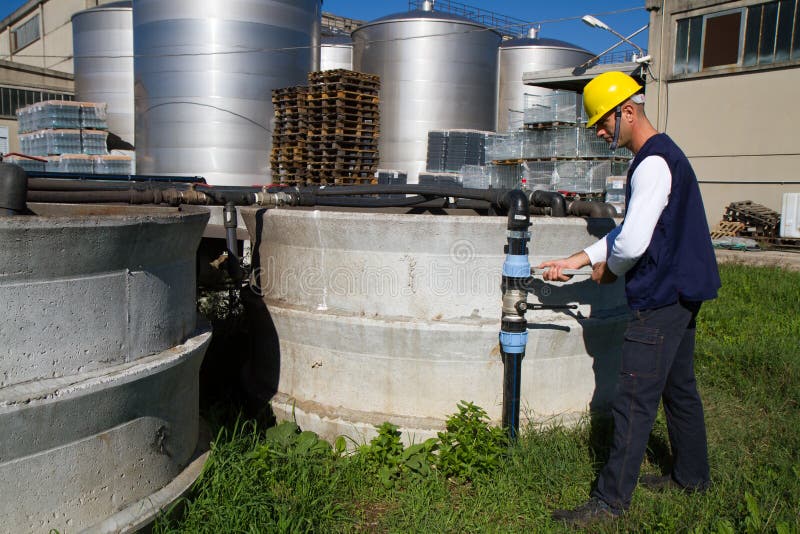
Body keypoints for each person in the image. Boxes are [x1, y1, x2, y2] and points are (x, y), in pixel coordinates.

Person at [540, 71, 721, 527]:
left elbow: (633, 243)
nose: (600, 133)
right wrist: (579, 259)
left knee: (634, 399)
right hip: (681, 292)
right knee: (679, 389)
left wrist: (609, 271)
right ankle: (692, 478)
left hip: (661, 296)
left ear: (627, 111)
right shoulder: (663, 156)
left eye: (603, 122)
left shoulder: (653, 163)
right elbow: (630, 230)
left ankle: (610, 502)